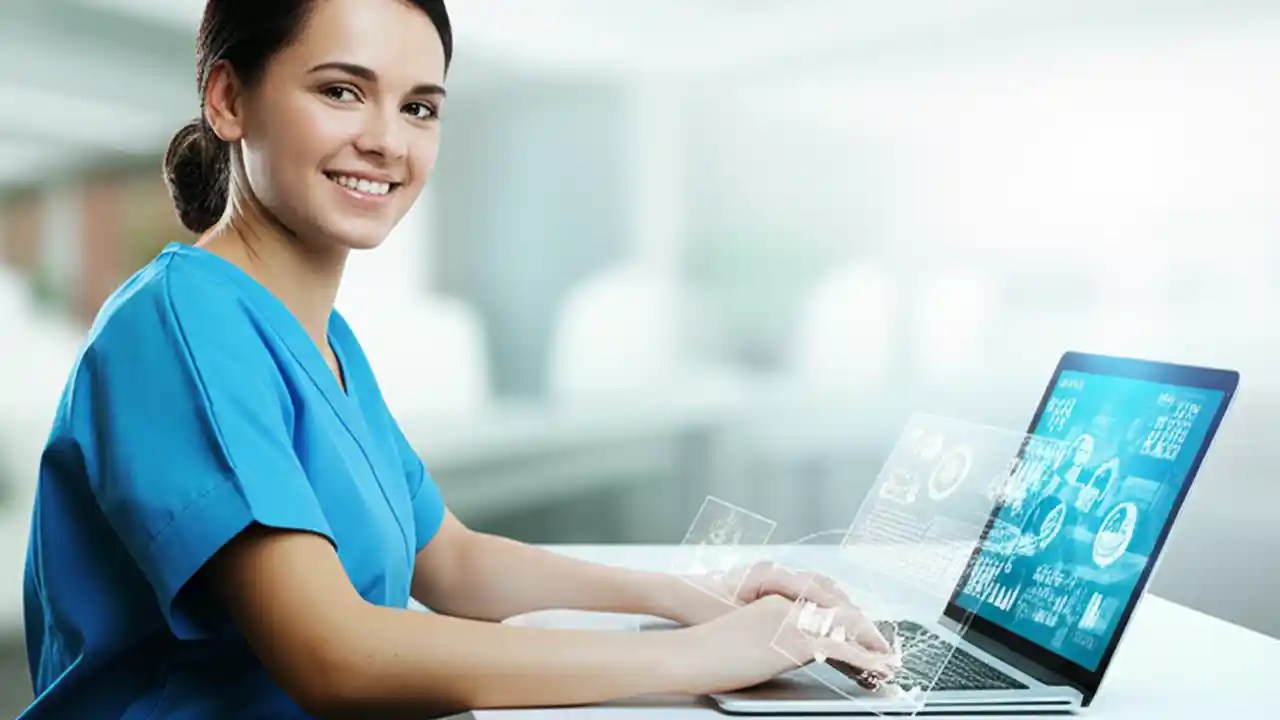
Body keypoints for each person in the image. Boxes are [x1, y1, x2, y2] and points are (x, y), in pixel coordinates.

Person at [19, 1, 898, 717]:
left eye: (419, 106)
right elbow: (339, 657)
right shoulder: (182, 327)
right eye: (339, 91)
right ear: (227, 99)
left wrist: (697, 592)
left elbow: (454, 563)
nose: (387, 141)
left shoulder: (315, 334)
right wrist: (699, 657)